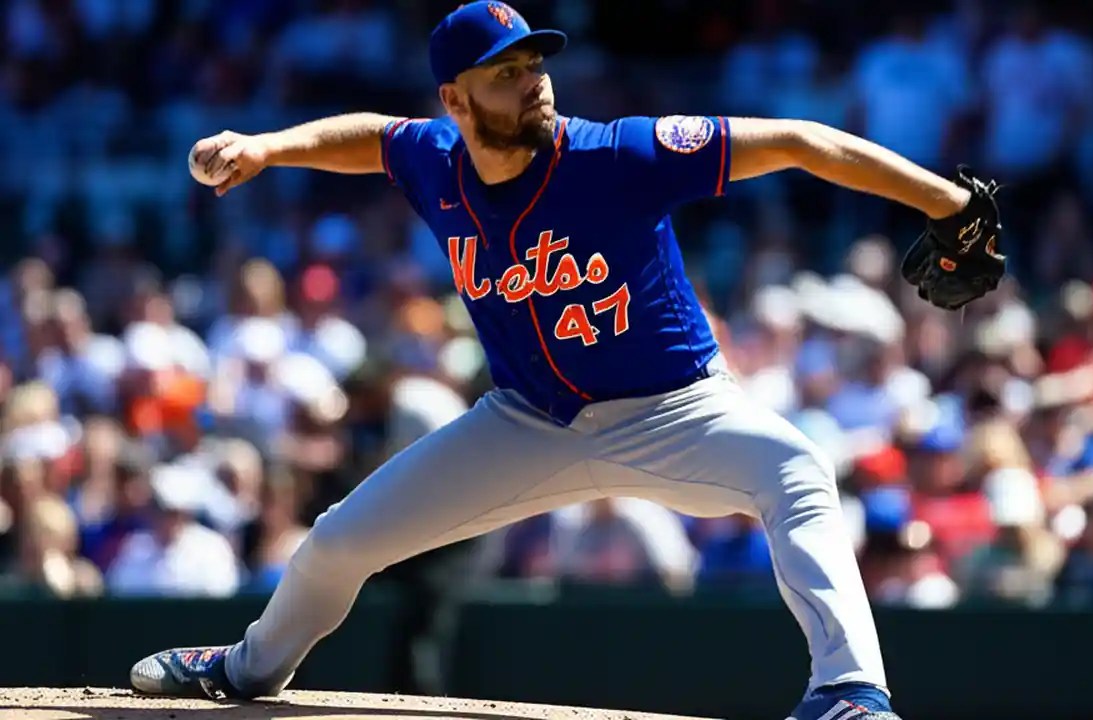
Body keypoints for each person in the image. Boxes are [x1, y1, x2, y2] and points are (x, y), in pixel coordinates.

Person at [129, 4, 1003, 719]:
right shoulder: (436, 159)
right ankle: (247, 669)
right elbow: (375, 137)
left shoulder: (619, 153)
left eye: (535, 64)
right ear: (456, 101)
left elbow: (804, 143)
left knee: (798, 472)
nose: (532, 82)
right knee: (335, 545)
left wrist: (948, 199)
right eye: (505, 72)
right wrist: (268, 147)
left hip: (676, 409)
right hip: (526, 421)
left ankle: (849, 692)